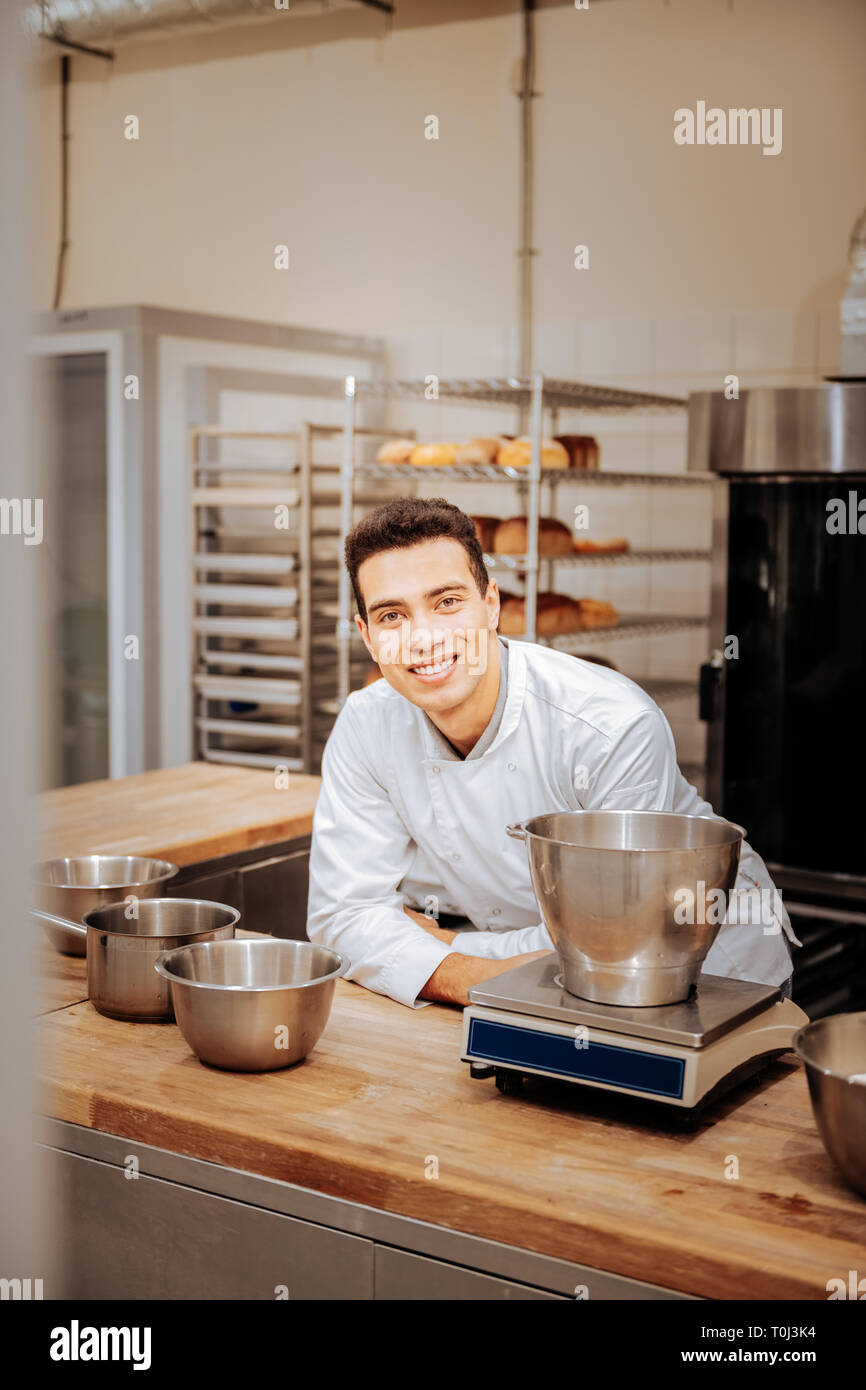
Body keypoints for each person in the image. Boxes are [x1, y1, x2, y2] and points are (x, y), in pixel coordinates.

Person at [306, 497, 798, 1008]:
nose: (423, 638)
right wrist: (472, 973)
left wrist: (444, 946)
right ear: (366, 636)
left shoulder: (608, 724)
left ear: (492, 603)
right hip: (542, 991)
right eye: (392, 615)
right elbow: (342, 917)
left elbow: (613, 940)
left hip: (718, 975)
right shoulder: (367, 724)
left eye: (447, 602)